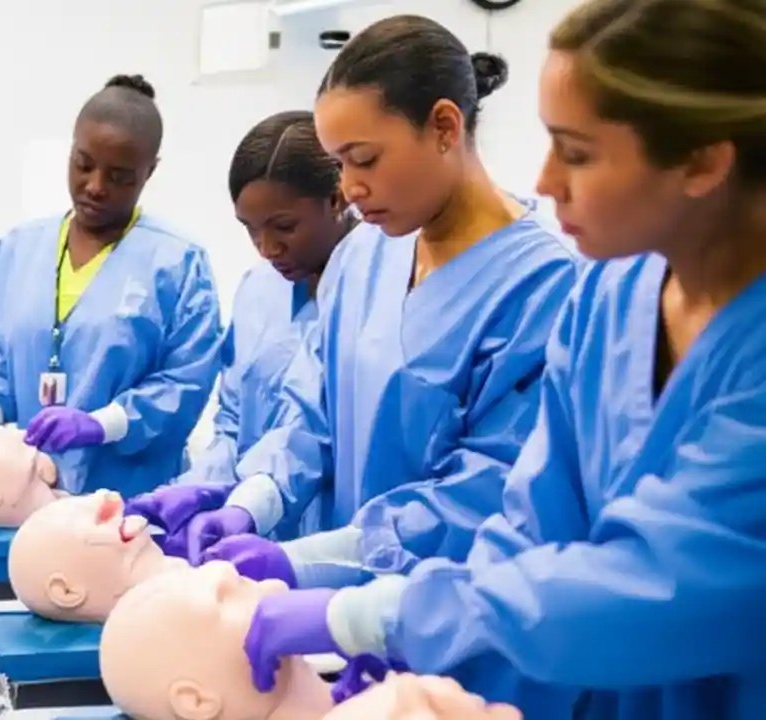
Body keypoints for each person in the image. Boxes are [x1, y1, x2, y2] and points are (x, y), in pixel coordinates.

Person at [238, 1, 766, 718]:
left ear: (703, 161)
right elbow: (528, 529)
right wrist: (441, 659)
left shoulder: (571, 291)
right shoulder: (607, 300)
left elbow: (654, 583)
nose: (546, 180)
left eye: (577, 152)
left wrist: (385, 616)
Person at [128, 15, 579, 572]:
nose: (349, 188)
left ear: (443, 127)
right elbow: (310, 414)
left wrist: (319, 558)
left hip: (445, 617)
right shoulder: (364, 255)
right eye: (338, 164)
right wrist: (251, 502)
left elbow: (490, 488)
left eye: (364, 159)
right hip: (333, 607)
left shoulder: (542, 286)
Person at [0, 74, 223, 498]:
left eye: (120, 176)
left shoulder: (177, 262)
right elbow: (1, 360)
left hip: (129, 505)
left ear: (150, 171)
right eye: (83, 163)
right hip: (22, 498)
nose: (95, 186)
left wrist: (101, 424)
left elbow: (185, 383)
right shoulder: (19, 248)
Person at [126, 110, 359, 550]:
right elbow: (234, 422)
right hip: (245, 541)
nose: (267, 249)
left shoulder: (374, 297)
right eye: (251, 230)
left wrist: (250, 505)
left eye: (285, 227)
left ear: (338, 198)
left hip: (333, 550)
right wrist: (197, 489)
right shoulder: (259, 291)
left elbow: (313, 431)